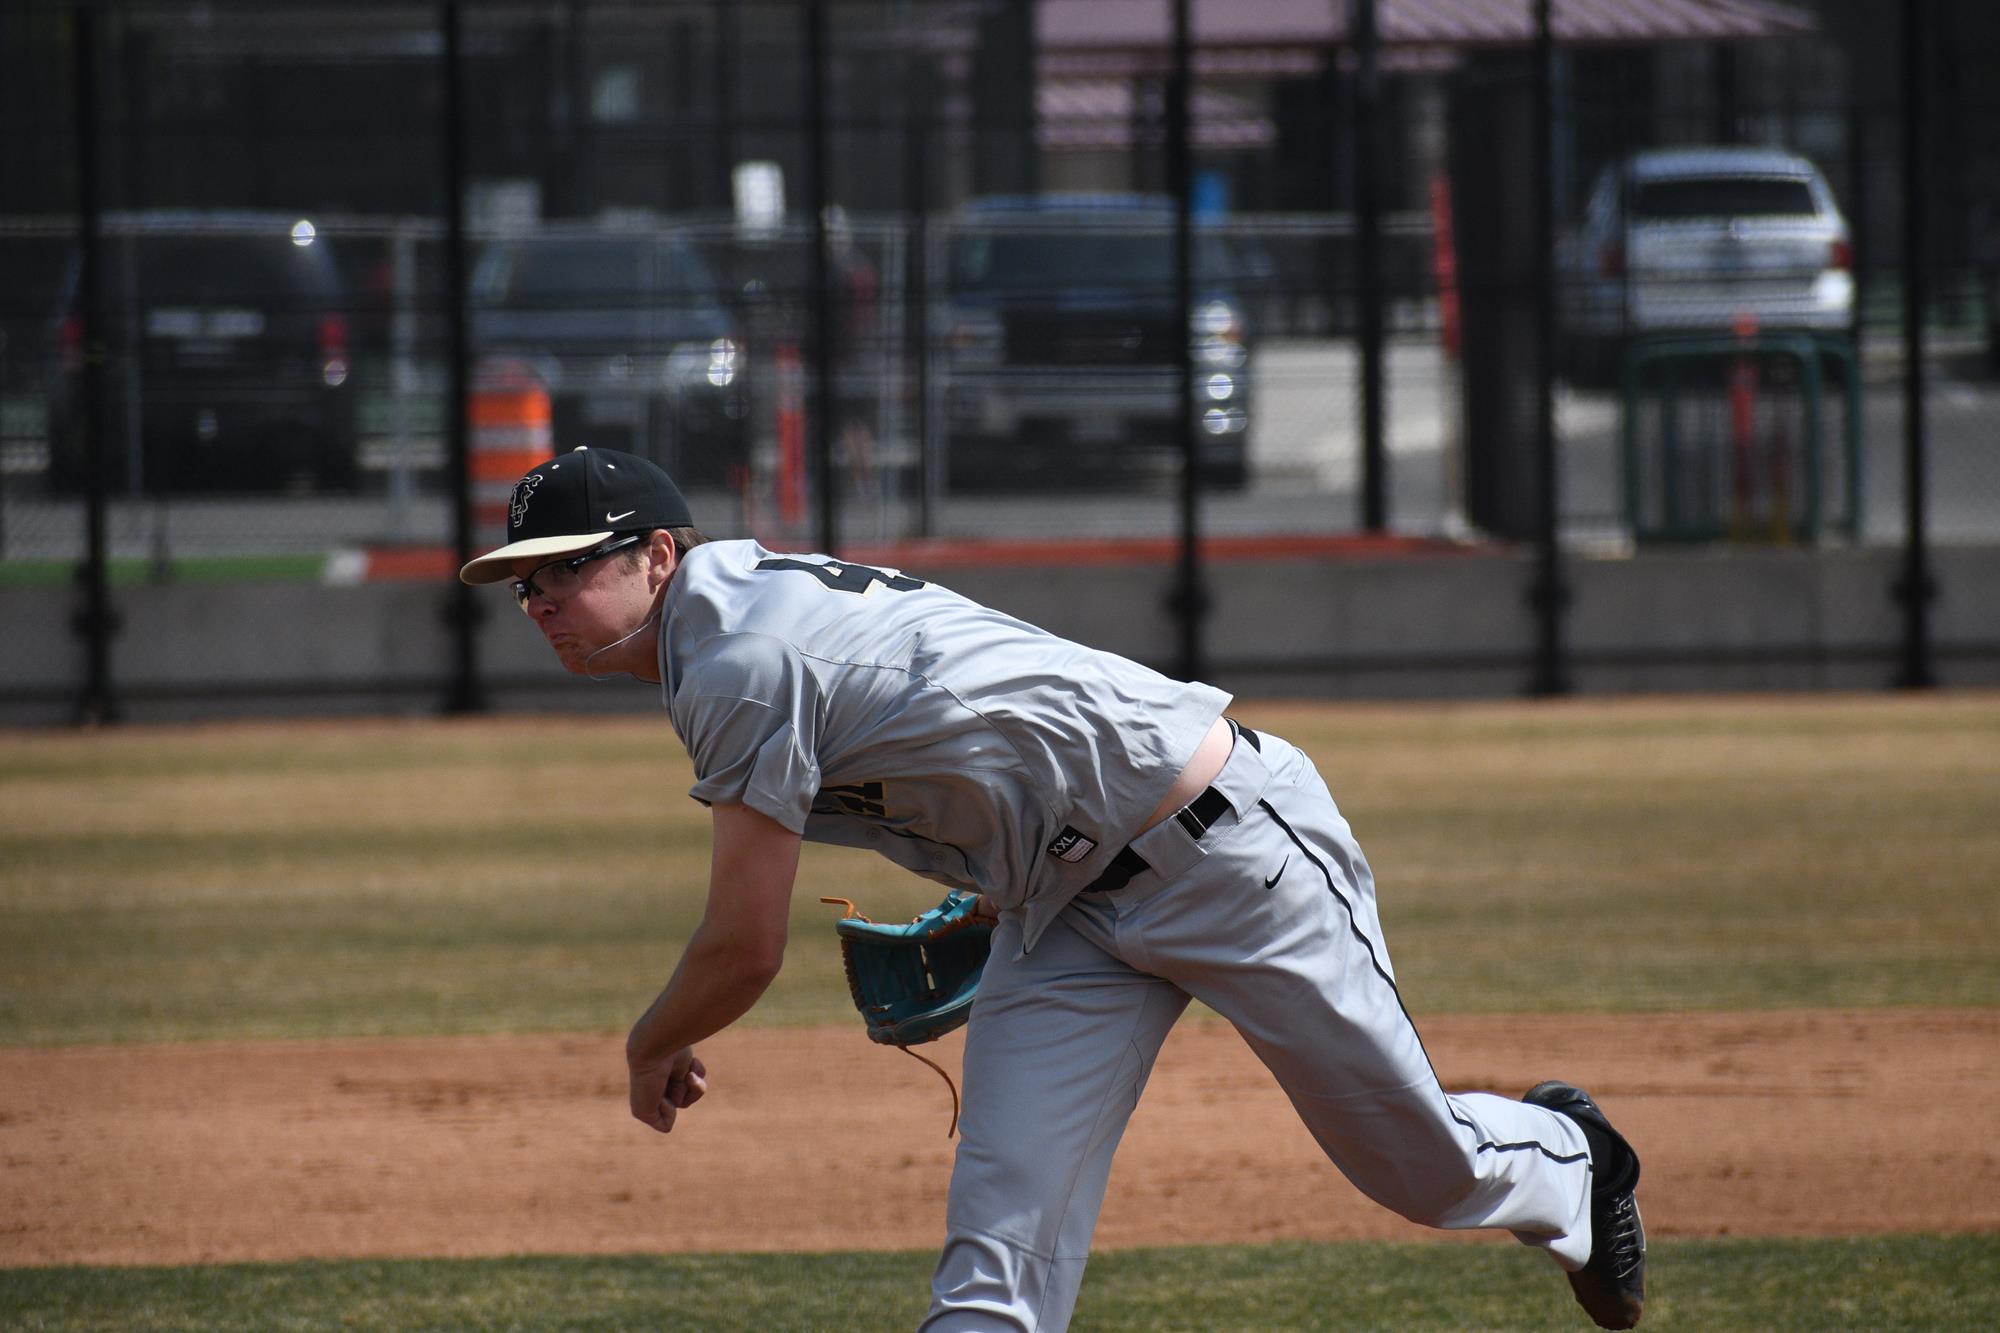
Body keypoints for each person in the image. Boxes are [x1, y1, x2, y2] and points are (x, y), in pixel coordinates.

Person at [460, 445, 1647, 1332]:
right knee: (997, 1257)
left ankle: (1566, 1156)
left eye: (563, 570)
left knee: (1420, 1170)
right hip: (1061, 909)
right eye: (520, 585)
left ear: (657, 555)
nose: (539, 602)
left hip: (1224, 853)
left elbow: (743, 946)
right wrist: (992, 887)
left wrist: (649, 1042)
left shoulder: (735, 660)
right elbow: (961, 732)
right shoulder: (725, 630)